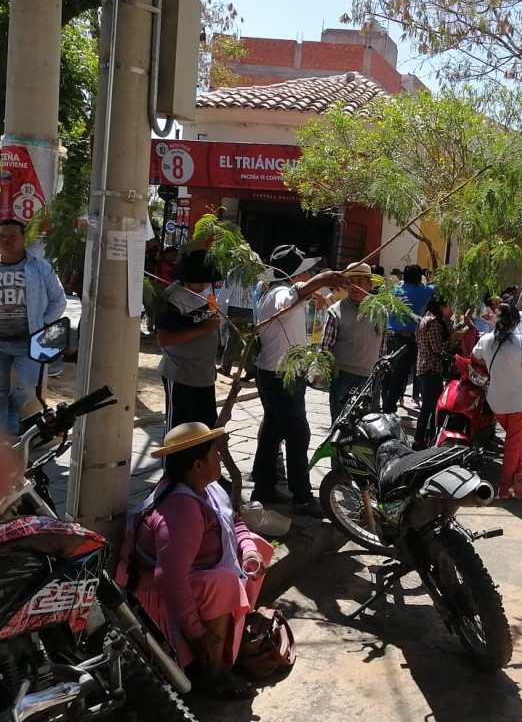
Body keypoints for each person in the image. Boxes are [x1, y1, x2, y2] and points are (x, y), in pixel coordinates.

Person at [117, 423, 273, 698]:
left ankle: (229, 643)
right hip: (158, 591)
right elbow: (170, 579)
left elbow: (234, 522)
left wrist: (248, 549)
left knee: (259, 546)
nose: (220, 458)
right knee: (223, 583)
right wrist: (197, 635)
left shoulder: (208, 489)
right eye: (215, 453)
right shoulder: (181, 509)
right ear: (198, 464)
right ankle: (212, 674)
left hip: (196, 574)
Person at [250, 245, 349, 516]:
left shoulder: (278, 293)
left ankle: (264, 486)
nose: (308, 275)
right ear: (296, 274)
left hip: (279, 373)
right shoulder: (281, 293)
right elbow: (296, 294)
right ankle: (302, 496)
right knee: (298, 434)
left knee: (272, 431)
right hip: (280, 375)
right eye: (305, 272)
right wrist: (324, 279)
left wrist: (321, 287)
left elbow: (304, 296)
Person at [0, 218, 66, 434]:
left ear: (23, 239)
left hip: (30, 343)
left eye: (12, 236)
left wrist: (42, 326)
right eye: (2, 236)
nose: (6, 241)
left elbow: (59, 300)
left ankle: (12, 433)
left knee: (23, 391)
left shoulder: (39, 267)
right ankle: (8, 442)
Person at [473, 302, 522, 498]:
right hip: (520, 401)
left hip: (497, 401)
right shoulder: (520, 341)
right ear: (514, 322)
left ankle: (519, 483)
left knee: (514, 442)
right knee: (513, 443)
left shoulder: (485, 340)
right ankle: (504, 487)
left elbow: (475, 358)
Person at [156, 250, 222, 429]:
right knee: (179, 431)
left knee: (205, 428)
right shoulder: (173, 298)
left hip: (205, 374)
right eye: (198, 281)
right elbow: (164, 339)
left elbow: (213, 313)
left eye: (205, 280)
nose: (203, 285)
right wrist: (203, 329)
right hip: (181, 375)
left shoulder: (207, 292)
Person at [320, 263, 382, 426]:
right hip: (343, 378)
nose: (356, 286)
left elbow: (382, 345)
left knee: (369, 427)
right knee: (341, 425)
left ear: (370, 284)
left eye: (361, 281)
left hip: (371, 378)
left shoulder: (380, 310)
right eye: (351, 281)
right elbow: (326, 349)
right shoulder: (335, 312)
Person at [382, 265, 434, 414]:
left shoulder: (394, 289)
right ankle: (388, 409)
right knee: (400, 375)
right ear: (419, 278)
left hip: (390, 335)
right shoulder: (424, 291)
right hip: (408, 339)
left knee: (388, 372)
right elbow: (439, 288)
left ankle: (385, 404)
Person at [414, 293, 457, 448]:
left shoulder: (424, 320)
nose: (450, 309)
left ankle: (422, 438)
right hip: (431, 367)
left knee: (428, 406)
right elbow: (437, 348)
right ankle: (424, 438)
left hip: (424, 366)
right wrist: (452, 338)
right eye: (448, 306)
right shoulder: (433, 323)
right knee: (430, 406)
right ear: (441, 307)